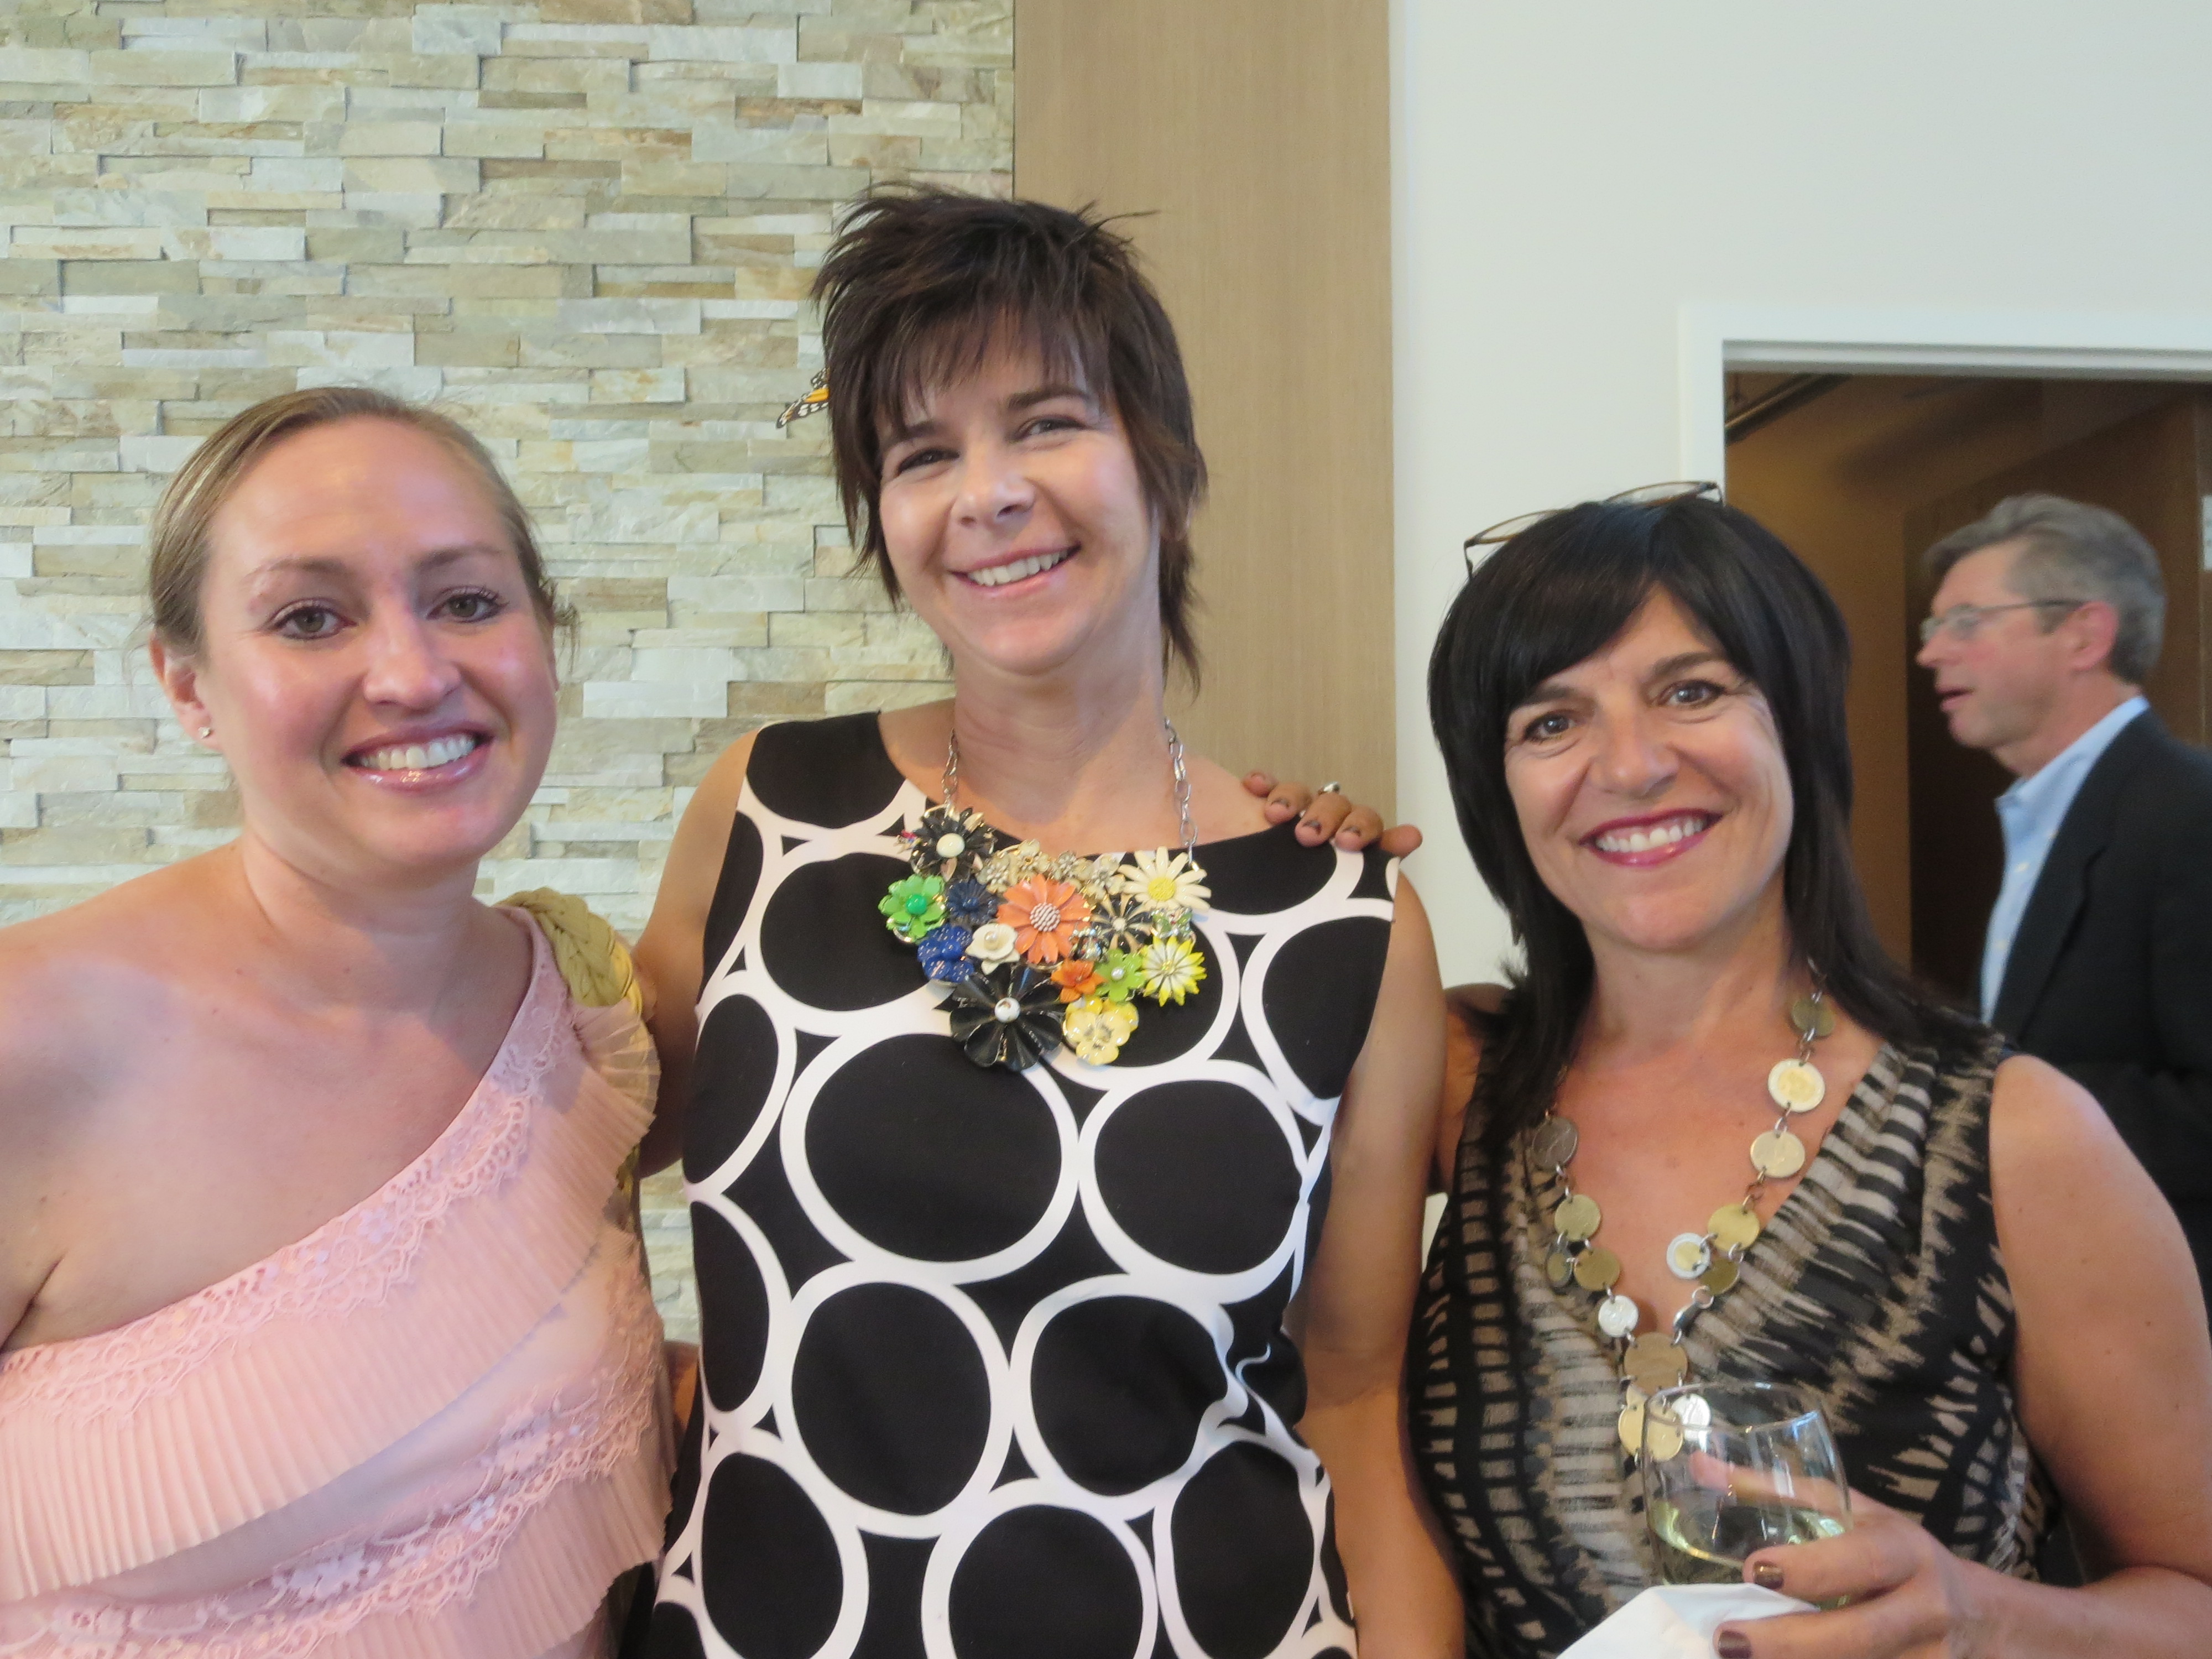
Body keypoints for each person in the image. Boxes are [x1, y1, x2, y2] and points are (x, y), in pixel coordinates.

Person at [627, 188, 1462, 1658]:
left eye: (1048, 424)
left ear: (1169, 465)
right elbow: (571, 1139)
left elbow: (1353, 1412)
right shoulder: (768, 811)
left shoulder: (1345, 917)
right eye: (921, 453)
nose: (989, 493)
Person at [1413, 491, 2212, 1658]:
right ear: (1496, 790)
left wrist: (1979, 1616)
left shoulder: (2010, 1134)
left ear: (1796, 724)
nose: (1629, 765)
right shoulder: (1447, 1084)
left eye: (1691, 691)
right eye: (1549, 722)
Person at [0, 389, 672, 1657]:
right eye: (311, 618)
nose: (415, 674)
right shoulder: (35, 1039)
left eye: (468, 599)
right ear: (186, 685)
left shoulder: (578, 1000)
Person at [1916, 493, 2212, 1287]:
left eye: (1967, 623)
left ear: (2085, 633)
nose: (1932, 655)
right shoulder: (2038, 821)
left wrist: (1994, 1106)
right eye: (1932, 628)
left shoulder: (2191, 814)